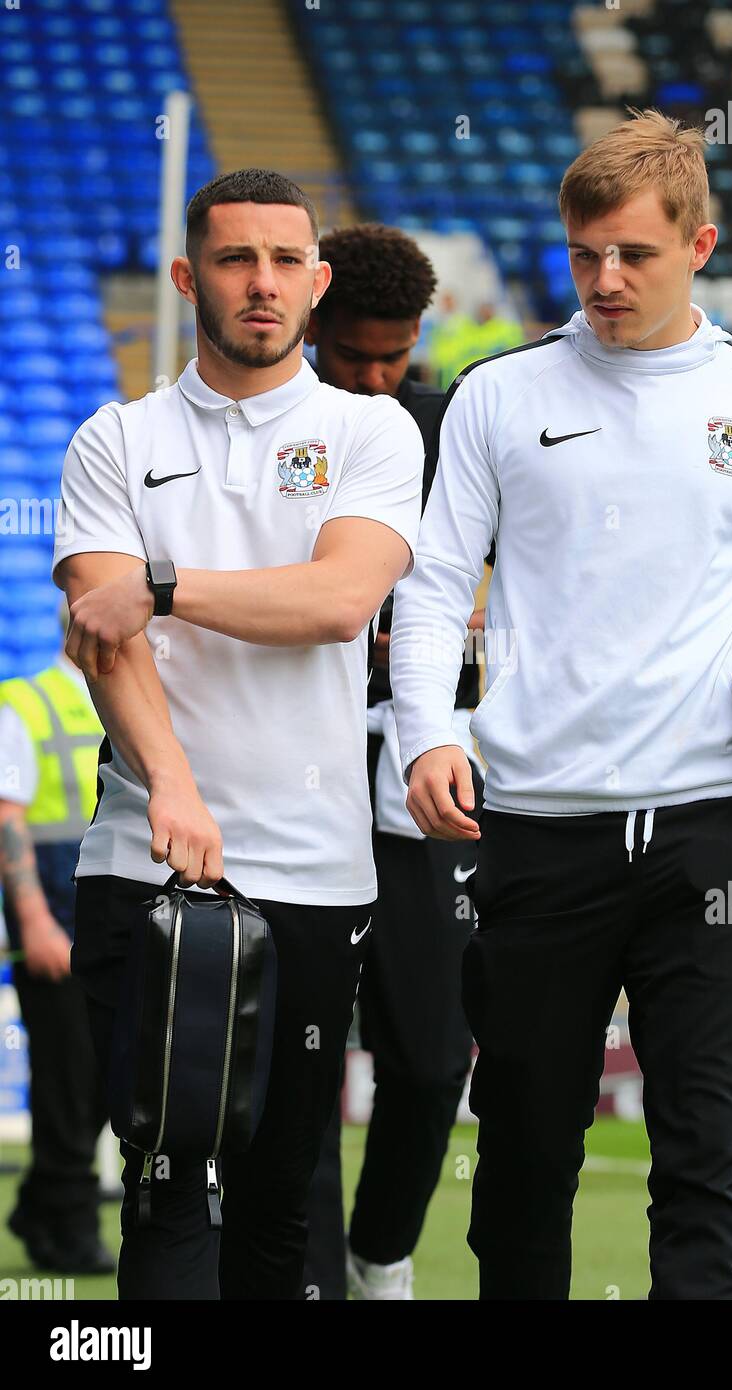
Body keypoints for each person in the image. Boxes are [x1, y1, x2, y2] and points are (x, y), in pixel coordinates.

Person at [389, 108, 732, 1301]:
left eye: (633, 253)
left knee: (709, 1160)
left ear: (702, 244)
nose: (605, 278)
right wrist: (427, 732)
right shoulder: (495, 395)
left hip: (714, 829)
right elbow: (427, 592)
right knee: (524, 1161)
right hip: (532, 829)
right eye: (584, 254)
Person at [51, 168, 424, 1301]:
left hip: (316, 874)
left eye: (281, 261)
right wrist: (170, 785)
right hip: (148, 865)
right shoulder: (115, 439)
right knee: (169, 1187)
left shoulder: (371, 431)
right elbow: (103, 642)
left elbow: (334, 602)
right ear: (187, 276)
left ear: (315, 281)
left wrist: (162, 585)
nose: (260, 284)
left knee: (280, 1194)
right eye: (232, 259)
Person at [302, 223, 488, 1300]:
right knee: (301, 1060)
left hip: (423, 773)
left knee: (429, 1058)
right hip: (299, 774)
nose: (374, 380)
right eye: (353, 356)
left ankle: (380, 1249)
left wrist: (444, 623)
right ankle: (313, 1274)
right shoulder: (281, 428)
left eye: (394, 356)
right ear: (314, 326)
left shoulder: (446, 424)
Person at [0, 612, 113, 1275]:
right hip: (56, 919)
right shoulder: (27, 701)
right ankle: (66, 1224)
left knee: (105, 1076)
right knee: (70, 1082)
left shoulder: (140, 701)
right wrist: (35, 921)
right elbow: (6, 816)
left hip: (114, 915)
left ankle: (44, 1202)